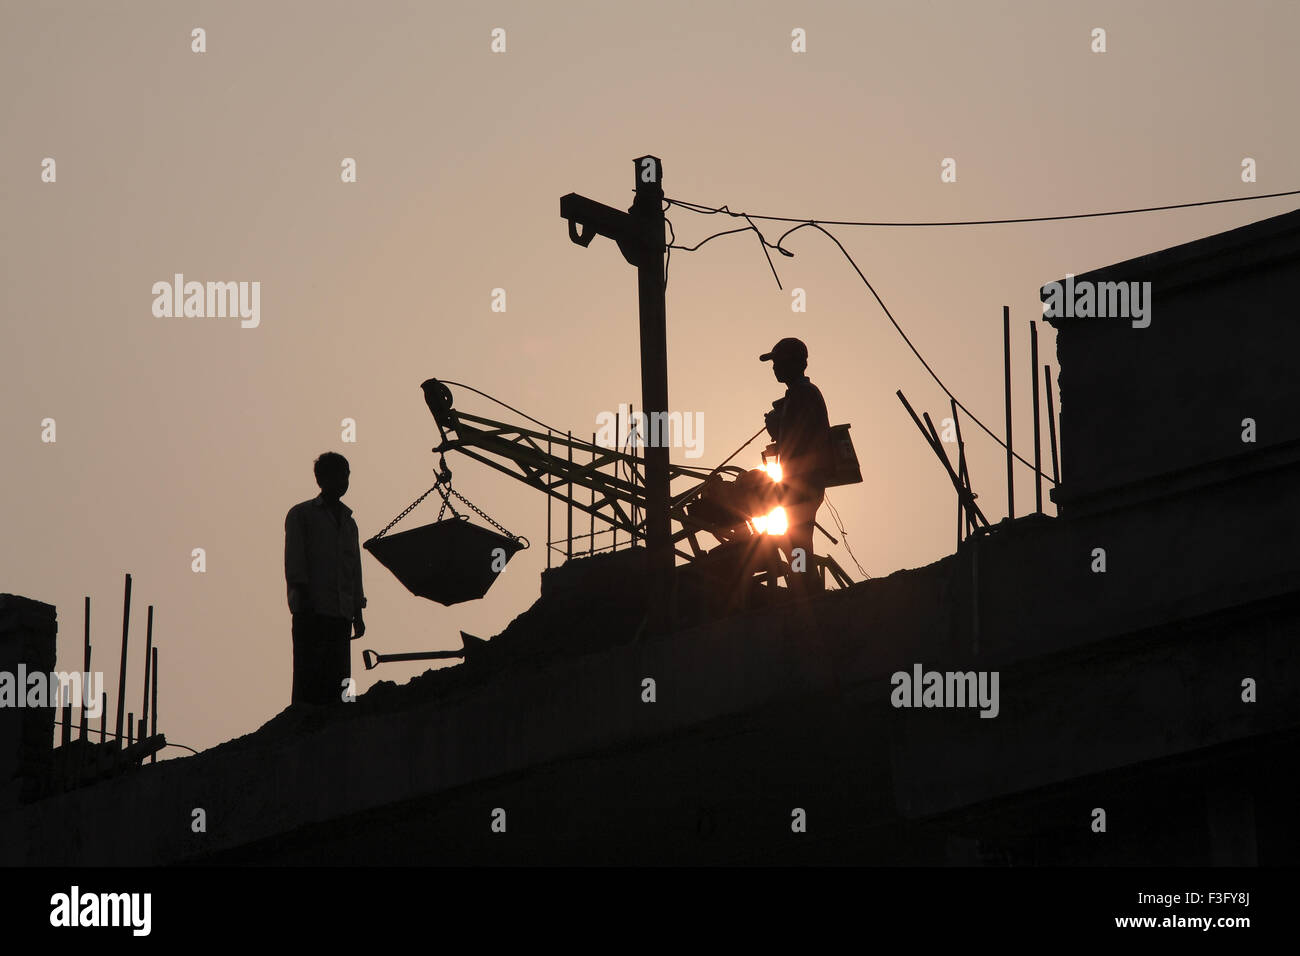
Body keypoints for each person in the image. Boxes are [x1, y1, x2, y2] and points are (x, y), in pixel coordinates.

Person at [284, 452, 366, 706]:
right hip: (312, 611)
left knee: (338, 683)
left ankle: (337, 725)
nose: (344, 480)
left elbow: (354, 571)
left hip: (340, 613)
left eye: (347, 475)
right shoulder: (302, 515)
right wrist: (304, 603)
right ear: (322, 479)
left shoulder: (350, 524)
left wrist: (357, 614)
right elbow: (295, 563)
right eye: (340, 474)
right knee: (310, 683)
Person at [760, 337, 832, 597]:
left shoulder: (804, 394)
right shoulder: (798, 395)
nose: (774, 368)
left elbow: (799, 437)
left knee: (797, 540)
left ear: (794, 363)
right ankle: (805, 588)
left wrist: (777, 424)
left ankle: (807, 591)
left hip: (803, 482)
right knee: (795, 539)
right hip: (799, 481)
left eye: (778, 362)